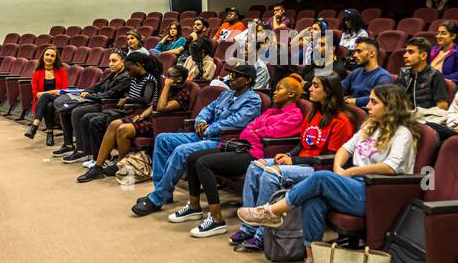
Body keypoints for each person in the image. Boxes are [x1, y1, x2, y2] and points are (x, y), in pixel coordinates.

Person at [238, 84, 420, 263]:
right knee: (313, 199)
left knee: (321, 178)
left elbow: (391, 167)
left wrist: (351, 172)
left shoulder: (402, 133)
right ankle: (311, 262)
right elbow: (345, 149)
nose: (368, 106)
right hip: (355, 186)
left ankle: (272, 212)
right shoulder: (371, 126)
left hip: (377, 194)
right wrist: (338, 168)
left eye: (374, 102)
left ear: (390, 106)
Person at [232, 73, 355, 253]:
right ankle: (248, 228)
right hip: (302, 162)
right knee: (256, 166)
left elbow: (331, 157)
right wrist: (288, 155)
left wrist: (293, 160)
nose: (310, 89)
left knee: (271, 173)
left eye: (316, 86)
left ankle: (261, 235)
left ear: (329, 91)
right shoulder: (314, 112)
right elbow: (302, 144)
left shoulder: (342, 120)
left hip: (319, 169)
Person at [168, 75, 305, 237]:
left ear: (291, 94)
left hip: (256, 154)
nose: (274, 92)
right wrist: (254, 132)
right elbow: (249, 128)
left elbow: (271, 133)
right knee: (193, 158)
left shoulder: (295, 115)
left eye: (279, 89)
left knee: (203, 163)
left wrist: (255, 132)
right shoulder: (270, 111)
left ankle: (217, 220)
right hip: (242, 147)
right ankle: (194, 207)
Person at [131, 64, 262, 216]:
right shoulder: (227, 94)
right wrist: (201, 121)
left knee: (181, 151)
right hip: (204, 134)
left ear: (248, 80)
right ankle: (162, 191)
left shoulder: (253, 99)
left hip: (223, 140)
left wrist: (208, 128)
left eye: (236, 76)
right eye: (231, 75)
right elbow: (208, 109)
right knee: (162, 139)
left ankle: (157, 198)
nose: (231, 79)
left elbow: (236, 122)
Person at [90, 64, 193, 177]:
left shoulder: (184, 94)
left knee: (123, 129)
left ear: (179, 79)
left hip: (161, 124)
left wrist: (166, 87)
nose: (166, 79)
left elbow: (161, 107)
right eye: (166, 76)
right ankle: (98, 166)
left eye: (169, 76)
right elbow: (153, 106)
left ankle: (120, 164)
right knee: (114, 124)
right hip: (150, 119)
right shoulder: (169, 90)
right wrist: (142, 115)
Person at [75, 52, 159, 178]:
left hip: (140, 112)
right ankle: (98, 166)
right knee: (111, 123)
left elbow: (146, 100)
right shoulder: (134, 77)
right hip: (129, 110)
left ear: (138, 65)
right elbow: (130, 94)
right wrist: (126, 98)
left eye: (129, 69)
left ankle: (119, 163)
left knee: (108, 122)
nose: (128, 72)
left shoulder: (149, 79)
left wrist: (128, 100)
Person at [56, 51, 129, 161]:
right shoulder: (113, 74)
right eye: (110, 61)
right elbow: (97, 85)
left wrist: (89, 95)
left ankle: (82, 150)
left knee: (77, 111)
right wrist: (86, 91)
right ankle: (68, 144)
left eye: (114, 61)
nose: (110, 64)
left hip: (109, 105)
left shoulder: (126, 77)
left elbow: (110, 94)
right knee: (65, 109)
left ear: (123, 62)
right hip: (98, 101)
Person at [23, 46, 70, 143]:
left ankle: (35, 126)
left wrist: (47, 93)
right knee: (48, 105)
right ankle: (49, 132)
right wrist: (53, 91)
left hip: (58, 99)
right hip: (43, 102)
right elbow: (36, 93)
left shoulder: (61, 71)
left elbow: (63, 90)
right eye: (47, 55)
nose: (49, 57)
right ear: (43, 56)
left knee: (45, 96)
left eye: (52, 56)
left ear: (55, 58)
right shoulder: (37, 73)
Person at [396, 36, 448, 115]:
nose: (405, 55)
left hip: (426, 118)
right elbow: (396, 99)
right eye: (406, 51)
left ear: (423, 55)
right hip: (404, 116)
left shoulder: (435, 75)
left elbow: (442, 107)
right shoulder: (403, 72)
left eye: (410, 52)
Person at [344, 37, 393, 107]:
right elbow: (341, 87)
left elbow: (378, 98)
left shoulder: (384, 77)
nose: (355, 55)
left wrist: (354, 101)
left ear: (372, 53)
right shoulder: (356, 72)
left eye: (359, 51)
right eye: (355, 51)